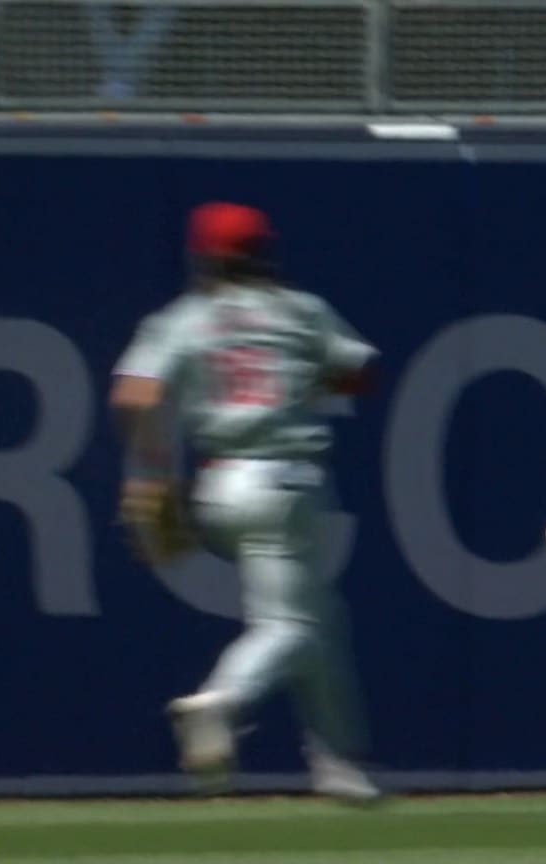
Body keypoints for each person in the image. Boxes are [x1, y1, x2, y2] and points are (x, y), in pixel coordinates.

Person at [110, 202, 382, 802]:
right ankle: (222, 703)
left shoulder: (185, 317)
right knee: (291, 626)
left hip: (218, 483)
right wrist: (306, 373)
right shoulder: (296, 309)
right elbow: (362, 372)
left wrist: (151, 472)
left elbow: (134, 394)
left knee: (319, 621)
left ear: (204, 257)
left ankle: (339, 763)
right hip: (284, 483)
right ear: (264, 252)